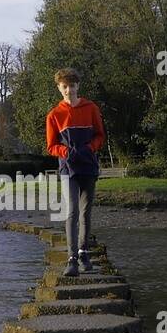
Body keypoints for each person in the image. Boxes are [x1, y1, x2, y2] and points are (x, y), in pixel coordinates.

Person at [45, 68, 106, 278]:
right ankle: (71, 259)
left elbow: (100, 135)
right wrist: (66, 151)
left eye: (72, 86)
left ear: (77, 86)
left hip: (88, 166)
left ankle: (83, 254)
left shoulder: (91, 108)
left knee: (86, 212)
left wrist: (90, 148)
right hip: (68, 169)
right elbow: (51, 145)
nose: (68, 90)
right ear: (59, 88)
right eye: (65, 86)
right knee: (72, 211)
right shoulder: (54, 115)